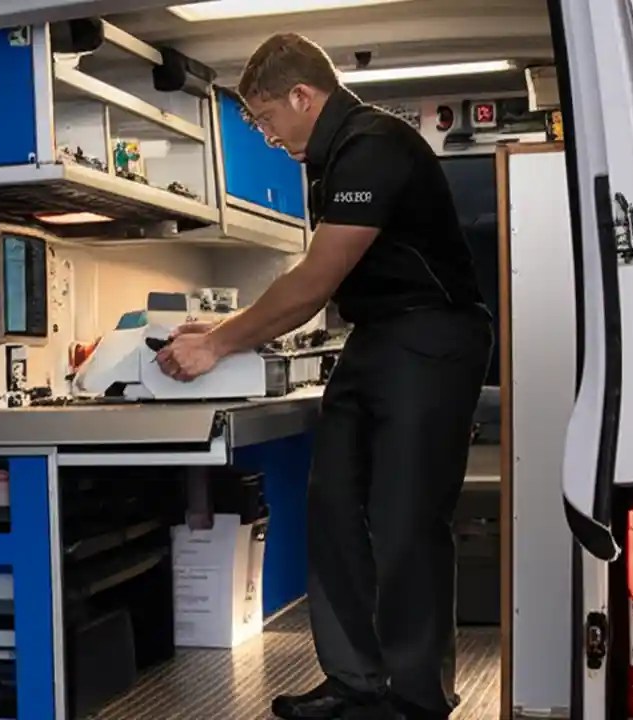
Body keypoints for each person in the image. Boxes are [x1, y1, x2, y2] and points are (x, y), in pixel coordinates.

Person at [155, 33, 493, 720]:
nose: (267, 136)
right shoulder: (330, 159)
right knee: (333, 502)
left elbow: (315, 279)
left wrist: (219, 343)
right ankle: (354, 681)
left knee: (404, 519)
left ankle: (416, 698)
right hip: (376, 335)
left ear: (302, 96)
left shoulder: (374, 145)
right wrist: (223, 328)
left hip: (433, 334)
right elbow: (319, 283)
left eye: (266, 119)